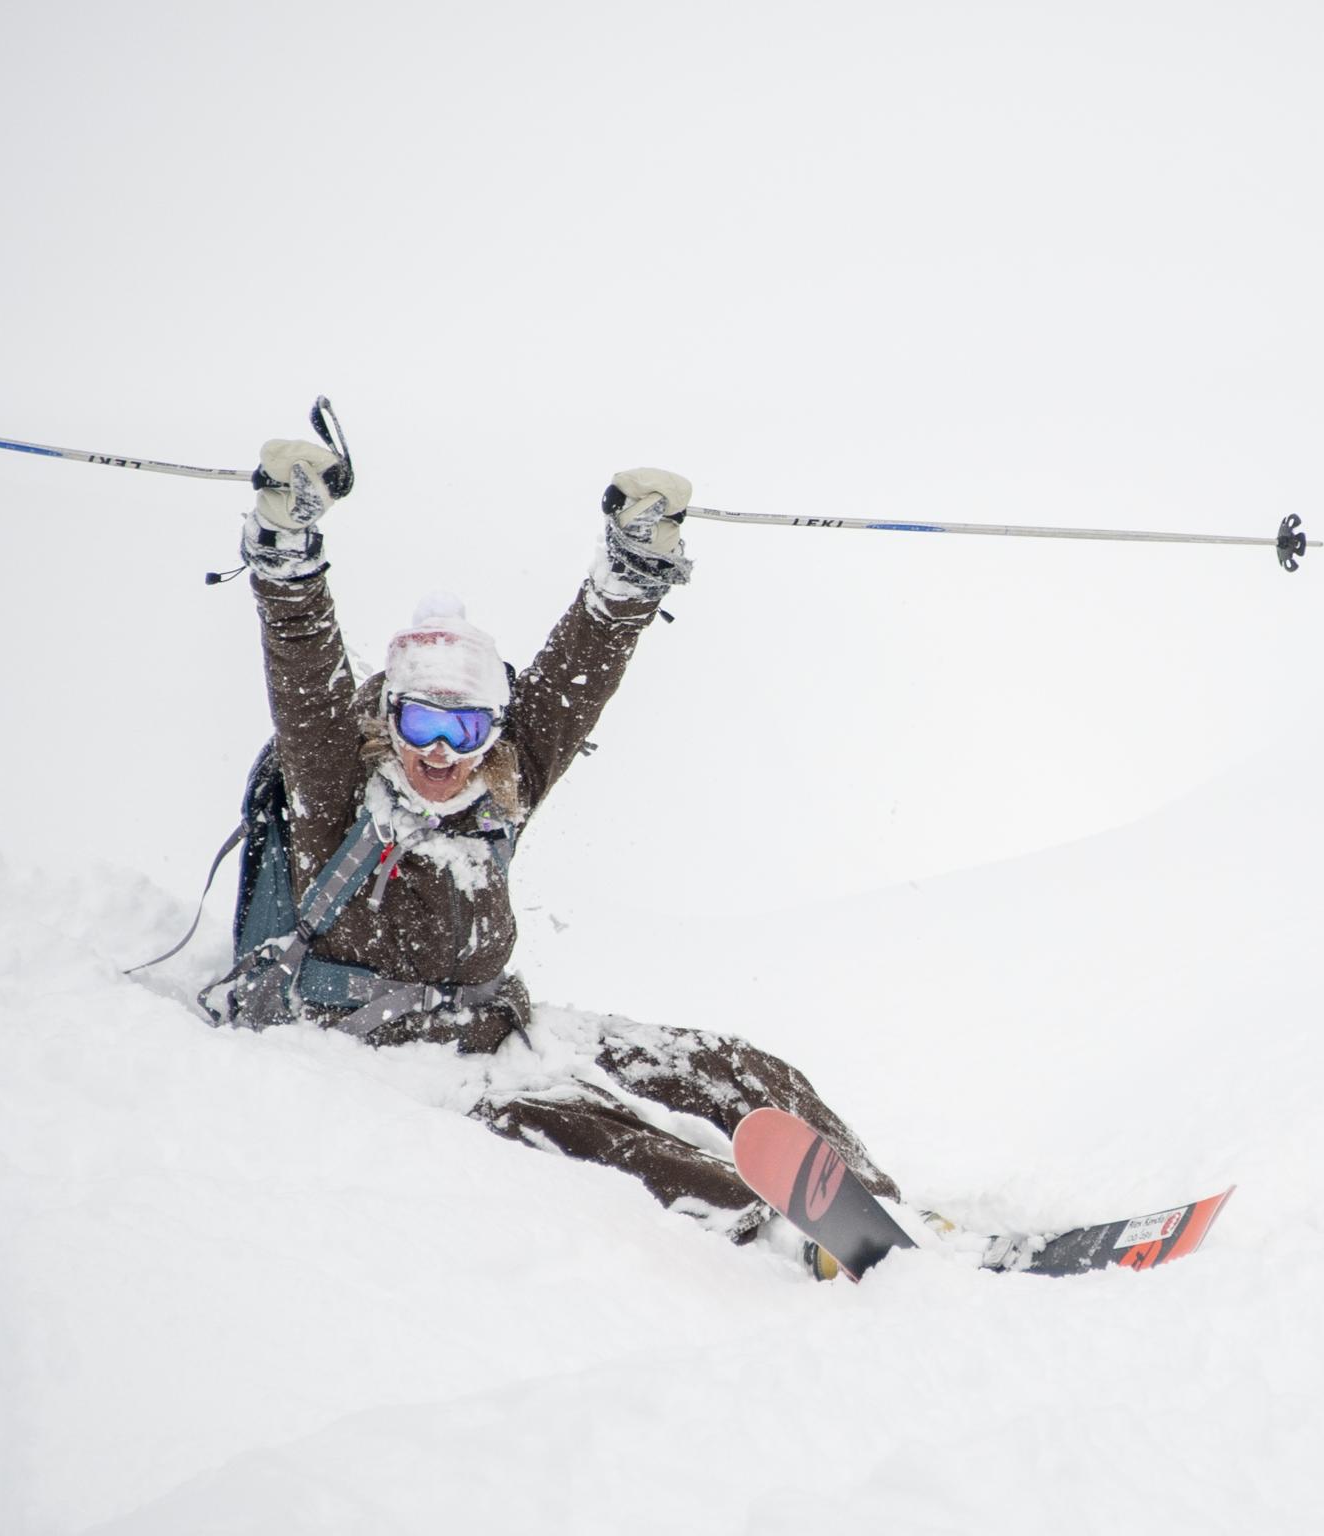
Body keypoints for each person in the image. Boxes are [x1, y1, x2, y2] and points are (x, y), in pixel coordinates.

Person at [204, 434, 897, 1247]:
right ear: (386, 718)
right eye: (419, 722)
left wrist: (634, 566)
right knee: (623, 1145)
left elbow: (583, 662)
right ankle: (789, 1246)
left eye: (462, 727)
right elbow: (301, 654)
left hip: (506, 1027)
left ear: (492, 730)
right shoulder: (336, 795)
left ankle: (881, 1211)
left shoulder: (504, 786)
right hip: (406, 1067)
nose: (438, 752)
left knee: (732, 1067)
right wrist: (288, 551)